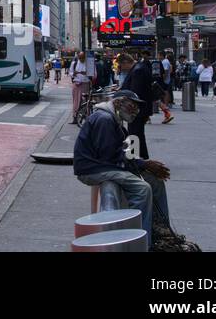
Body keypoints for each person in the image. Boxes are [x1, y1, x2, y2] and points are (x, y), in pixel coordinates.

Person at [73, 89, 181, 247]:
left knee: (155, 180)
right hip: (94, 169)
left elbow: (123, 153)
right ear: (117, 103)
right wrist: (143, 164)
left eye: (137, 107)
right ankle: (141, 241)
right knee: (142, 189)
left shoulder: (114, 120)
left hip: (104, 166)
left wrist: (145, 164)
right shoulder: (104, 119)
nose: (136, 111)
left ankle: (160, 229)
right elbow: (109, 157)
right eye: (132, 106)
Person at [117, 52, 156, 159]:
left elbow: (135, 92)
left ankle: (134, 156)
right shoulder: (139, 67)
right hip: (141, 107)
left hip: (137, 108)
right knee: (137, 132)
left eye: (121, 65)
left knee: (134, 132)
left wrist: (123, 95)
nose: (122, 68)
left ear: (125, 62)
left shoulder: (137, 70)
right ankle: (141, 156)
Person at [70, 51, 92, 123]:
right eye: (80, 58)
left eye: (82, 58)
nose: (81, 59)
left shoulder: (89, 64)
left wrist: (87, 73)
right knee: (76, 102)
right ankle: (75, 117)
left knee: (85, 102)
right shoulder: (74, 63)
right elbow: (71, 73)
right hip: (76, 84)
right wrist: (74, 73)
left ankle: (85, 118)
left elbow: (94, 74)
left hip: (86, 84)